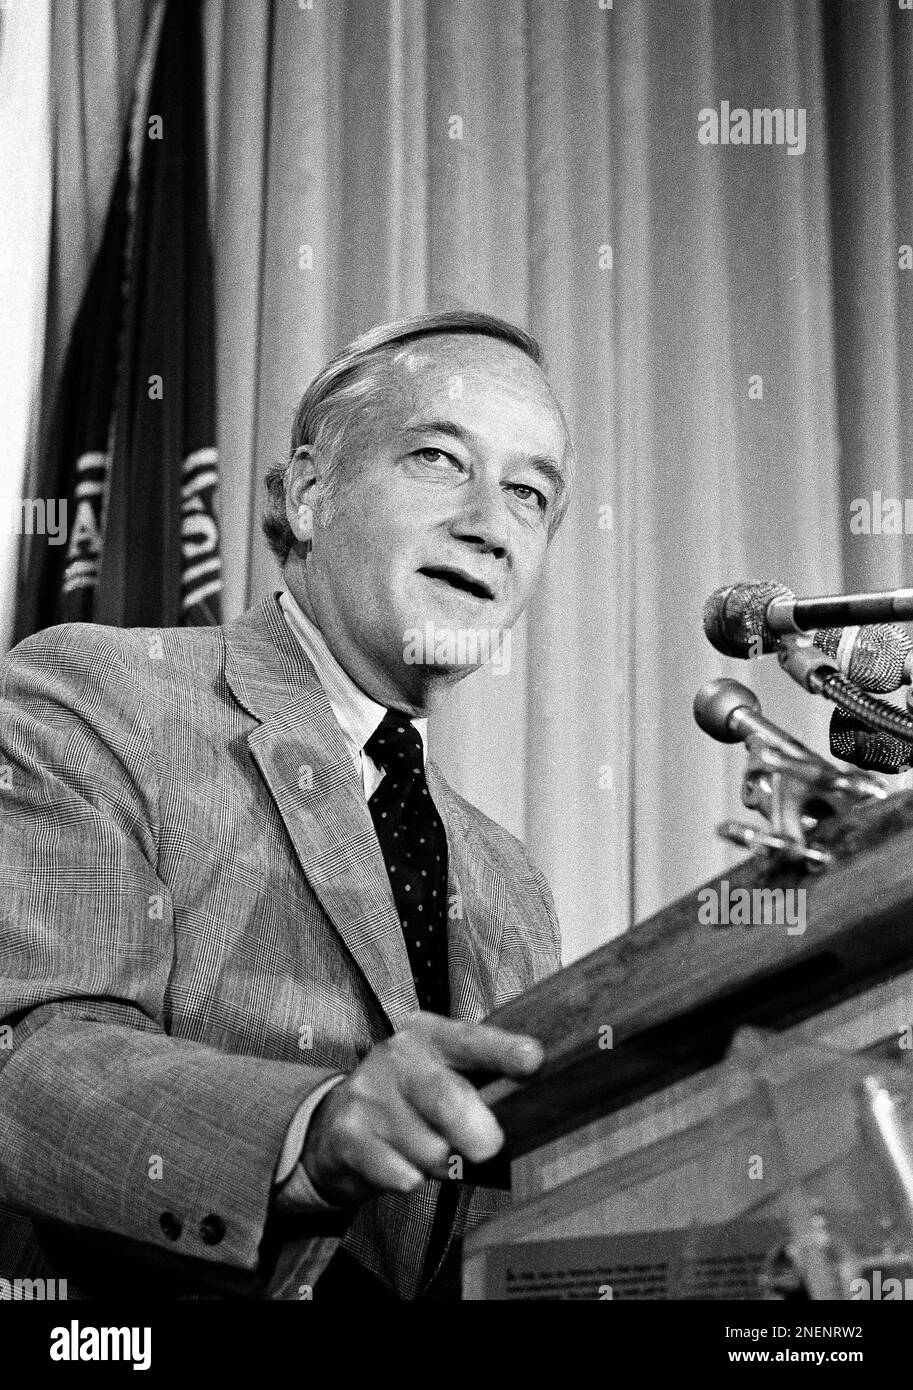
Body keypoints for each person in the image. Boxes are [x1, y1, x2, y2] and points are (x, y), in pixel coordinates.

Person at [0, 309, 574, 1300]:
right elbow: (32, 1060)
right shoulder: (97, 694)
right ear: (310, 492)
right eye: (441, 459)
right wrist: (311, 1129)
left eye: (529, 494)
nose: (488, 523)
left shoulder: (510, 882)